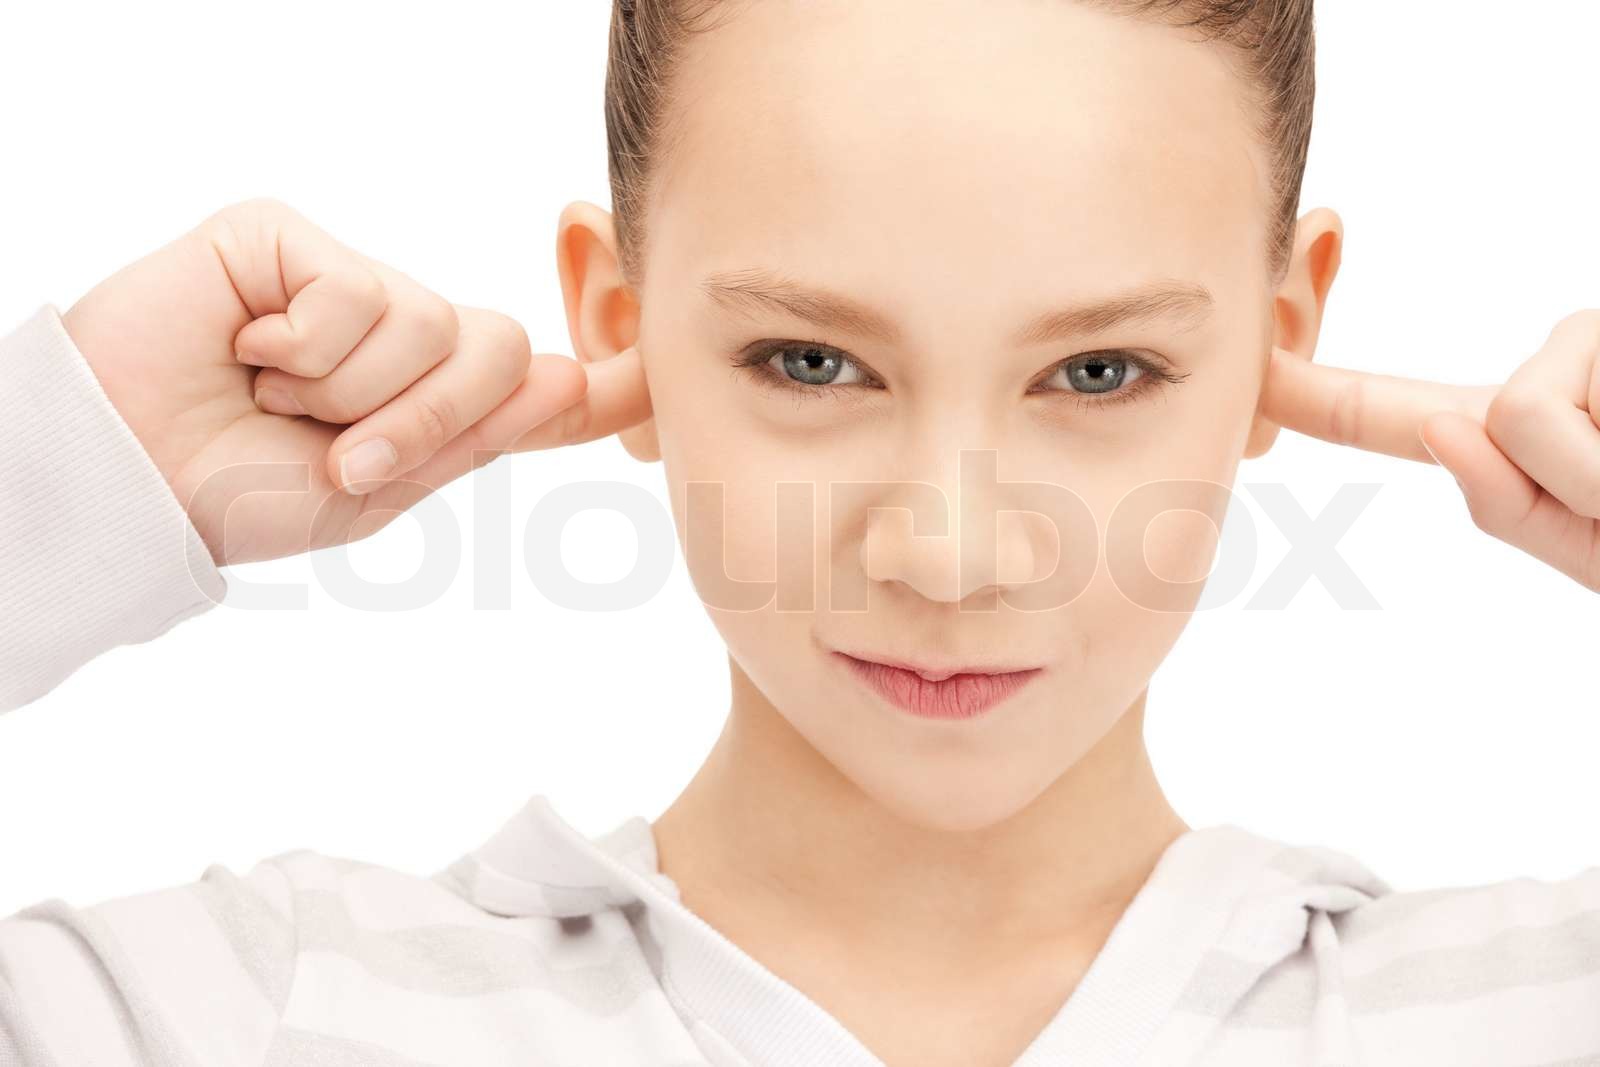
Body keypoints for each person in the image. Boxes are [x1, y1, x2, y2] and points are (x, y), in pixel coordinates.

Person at [2, 1, 1598, 1064]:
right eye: (810, 362)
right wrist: (65, 478)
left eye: (1100, 370)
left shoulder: (1538, 1016)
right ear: (616, 321)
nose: (953, 550)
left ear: (1281, 336)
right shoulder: (235, 1018)